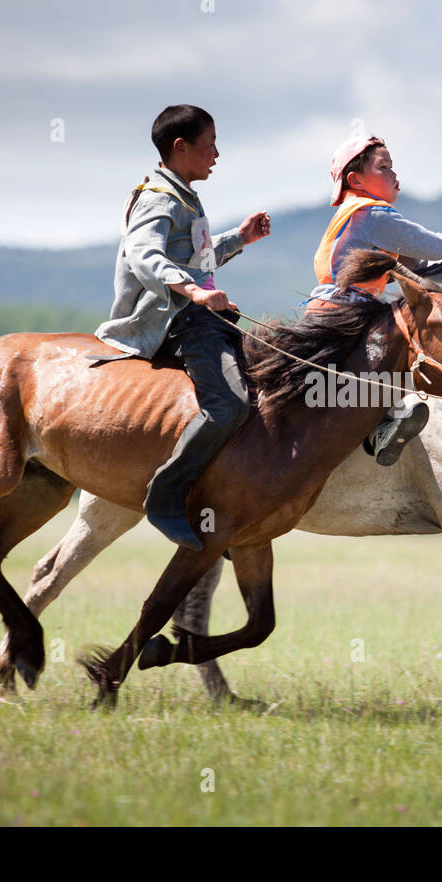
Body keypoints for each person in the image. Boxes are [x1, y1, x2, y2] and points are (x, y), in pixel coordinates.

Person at [95, 104, 271, 550]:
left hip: (199, 314)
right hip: (177, 320)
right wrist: (194, 293)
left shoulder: (184, 195)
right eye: (209, 144)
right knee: (229, 405)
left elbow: (195, 259)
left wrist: (240, 239)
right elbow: (145, 255)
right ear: (181, 147)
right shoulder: (158, 197)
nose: (216, 153)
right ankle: (166, 496)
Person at [308, 135, 442, 464]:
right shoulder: (373, 216)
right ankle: (387, 422)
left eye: (393, 167)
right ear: (356, 180)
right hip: (350, 315)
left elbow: (413, 268)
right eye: (384, 167)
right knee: (411, 343)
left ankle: (384, 418)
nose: (395, 175)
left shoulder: (355, 218)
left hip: (327, 312)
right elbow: (437, 245)